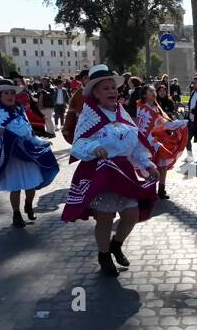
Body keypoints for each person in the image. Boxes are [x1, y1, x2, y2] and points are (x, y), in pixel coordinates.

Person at [62, 64, 159, 277]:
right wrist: (93, 148)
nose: (112, 91)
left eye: (113, 88)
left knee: (131, 213)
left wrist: (147, 164)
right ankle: (104, 254)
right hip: (100, 173)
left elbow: (134, 146)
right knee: (105, 217)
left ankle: (116, 244)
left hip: (123, 173)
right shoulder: (89, 116)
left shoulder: (122, 114)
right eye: (105, 88)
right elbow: (78, 145)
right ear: (95, 93)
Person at [0, 80, 60, 228]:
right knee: (16, 186)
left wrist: (41, 142)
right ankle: (16, 214)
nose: (10, 95)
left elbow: (28, 132)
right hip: (11, 156)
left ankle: (28, 205)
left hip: (27, 152)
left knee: (31, 185)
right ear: (0, 95)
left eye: (12, 92)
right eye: (6, 93)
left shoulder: (19, 109)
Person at [136, 85, 188, 200]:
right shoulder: (140, 107)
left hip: (157, 140)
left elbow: (165, 123)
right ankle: (150, 190)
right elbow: (139, 127)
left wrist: (181, 123)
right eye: (151, 91)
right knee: (149, 166)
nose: (154, 92)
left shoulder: (156, 108)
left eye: (154, 90)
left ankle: (161, 189)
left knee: (163, 163)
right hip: (144, 142)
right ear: (144, 94)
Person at [62, 69, 90, 144]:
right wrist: (67, 127)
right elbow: (71, 112)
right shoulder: (77, 94)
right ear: (81, 80)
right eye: (86, 78)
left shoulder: (98, 91)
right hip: (82, 126)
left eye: (90, 78)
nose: (88, 80)